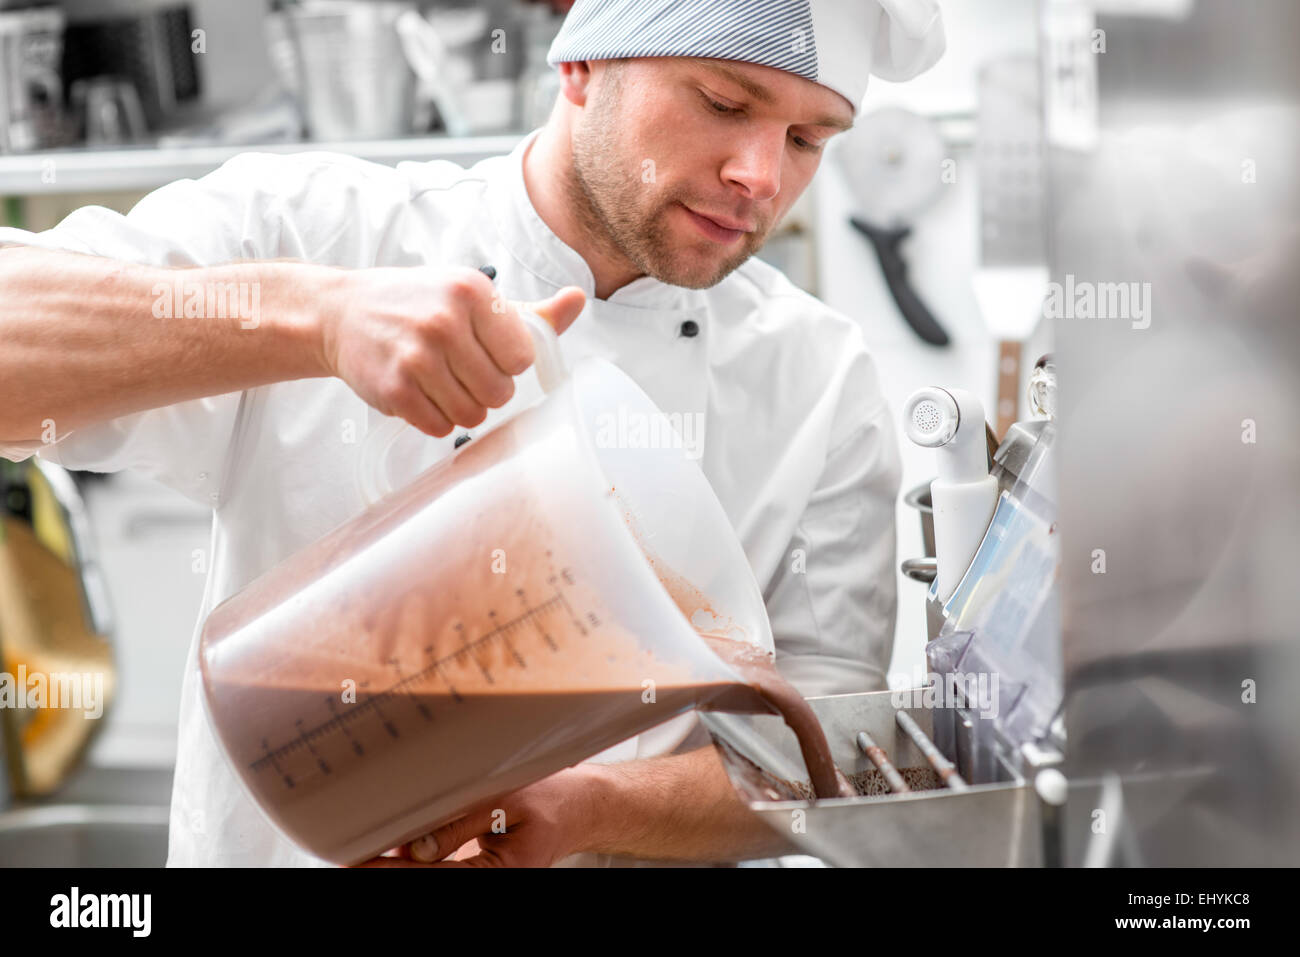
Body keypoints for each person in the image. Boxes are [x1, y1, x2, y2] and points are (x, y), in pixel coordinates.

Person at [0, 0, 944, 866]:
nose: (762, 176)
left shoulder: (822, 381)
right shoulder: (320, 232)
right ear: (582, 60)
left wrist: (593, 802)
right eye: (723, 101)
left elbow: (835, 761)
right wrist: (314, 319)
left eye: (809, 137)